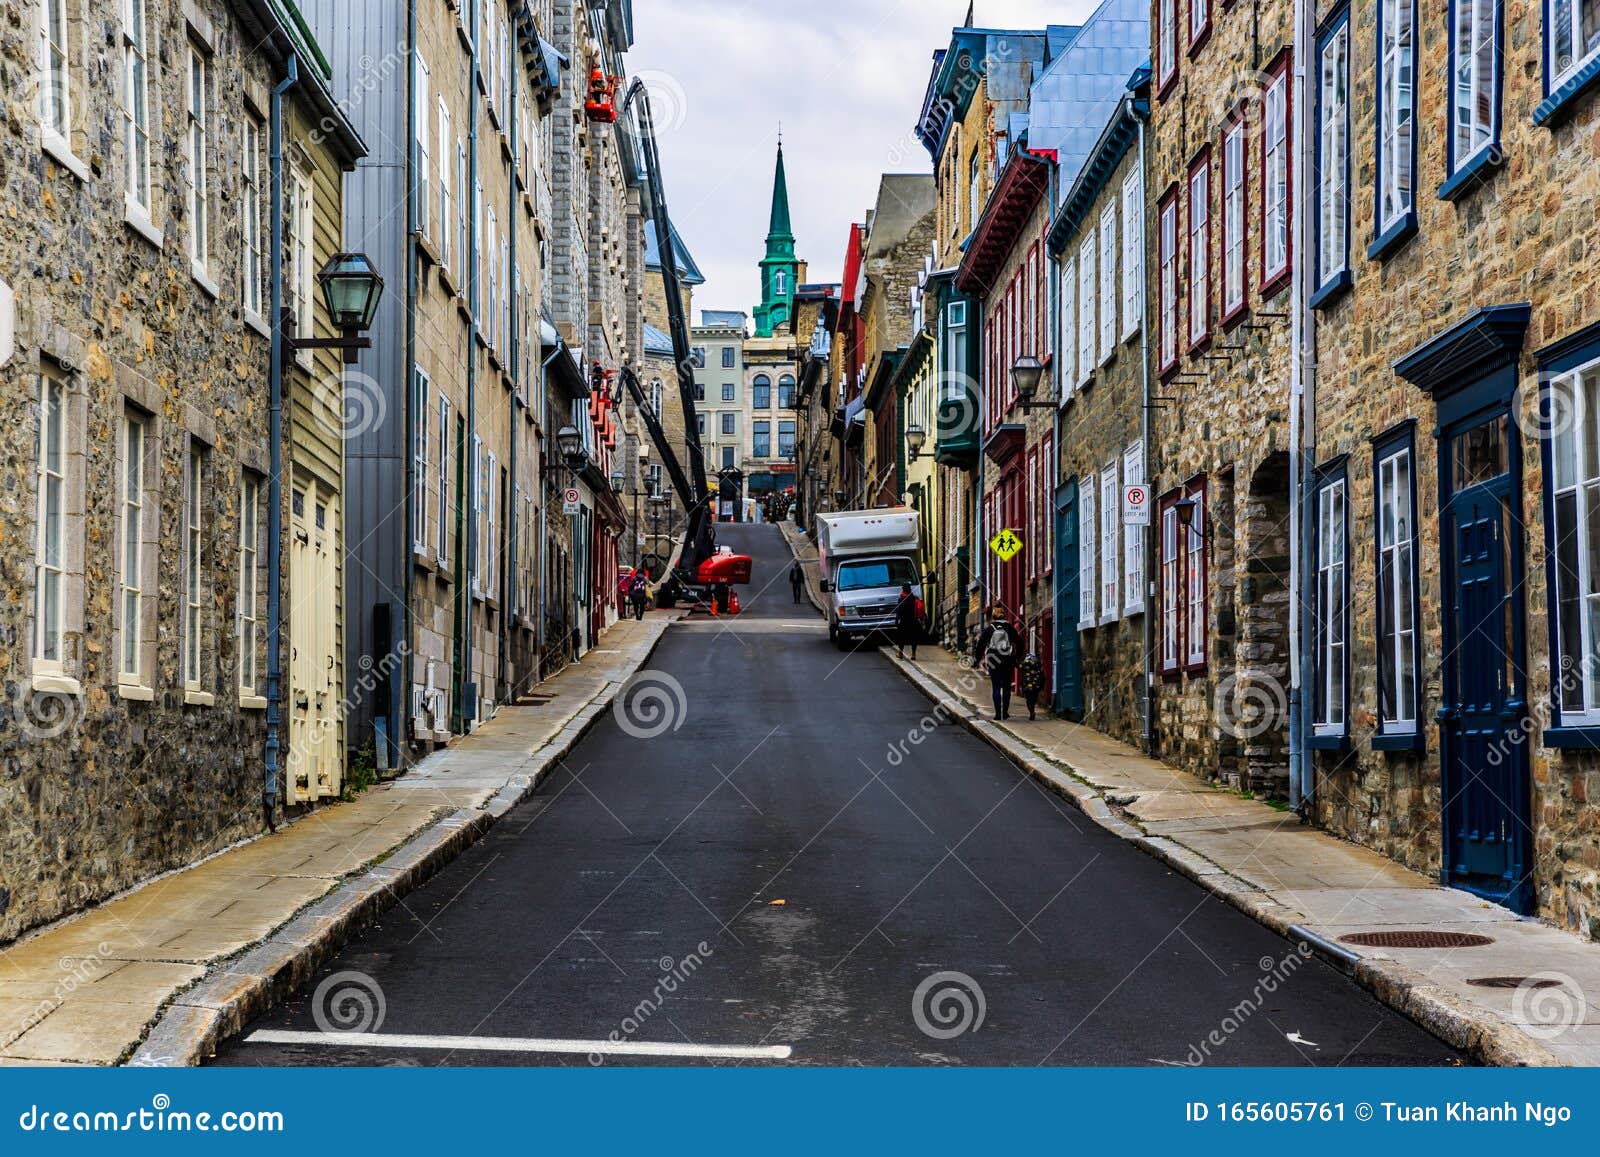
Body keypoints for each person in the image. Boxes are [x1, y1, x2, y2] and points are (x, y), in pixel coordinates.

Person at [972, 604, 1023, 721]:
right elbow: (1019, 643)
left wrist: (977, 661)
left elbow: (980, 646)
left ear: (993, 616)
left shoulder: (989, 629)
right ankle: (1005, 713)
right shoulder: (1009, 628)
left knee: (996, 686)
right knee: (1006, 687)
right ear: (1003, 616)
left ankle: (997, 714)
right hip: (1007, 660)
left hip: (993, 660)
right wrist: (1017, 658)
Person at [893, 583, 921, 660]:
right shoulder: (914, 598)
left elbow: (899, 612)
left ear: (903, 589)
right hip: (913, 620)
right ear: (910, 589)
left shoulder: (901, 599)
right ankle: (913, 654)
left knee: (901, 638)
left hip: (904, 621)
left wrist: (896, 620)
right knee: (913, 638)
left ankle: (900, 653)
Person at [1018, 651, 1045, 721]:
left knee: (1028, 700)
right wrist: (1041, 686)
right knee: (1034, 699)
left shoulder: (1024, 666)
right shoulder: (1038, 667)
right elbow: (1042, 677)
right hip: (1036, 686)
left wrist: (1021, 687)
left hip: (1027, 686)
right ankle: (1032, 710)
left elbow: (1021, 677)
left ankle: (1031, 711)